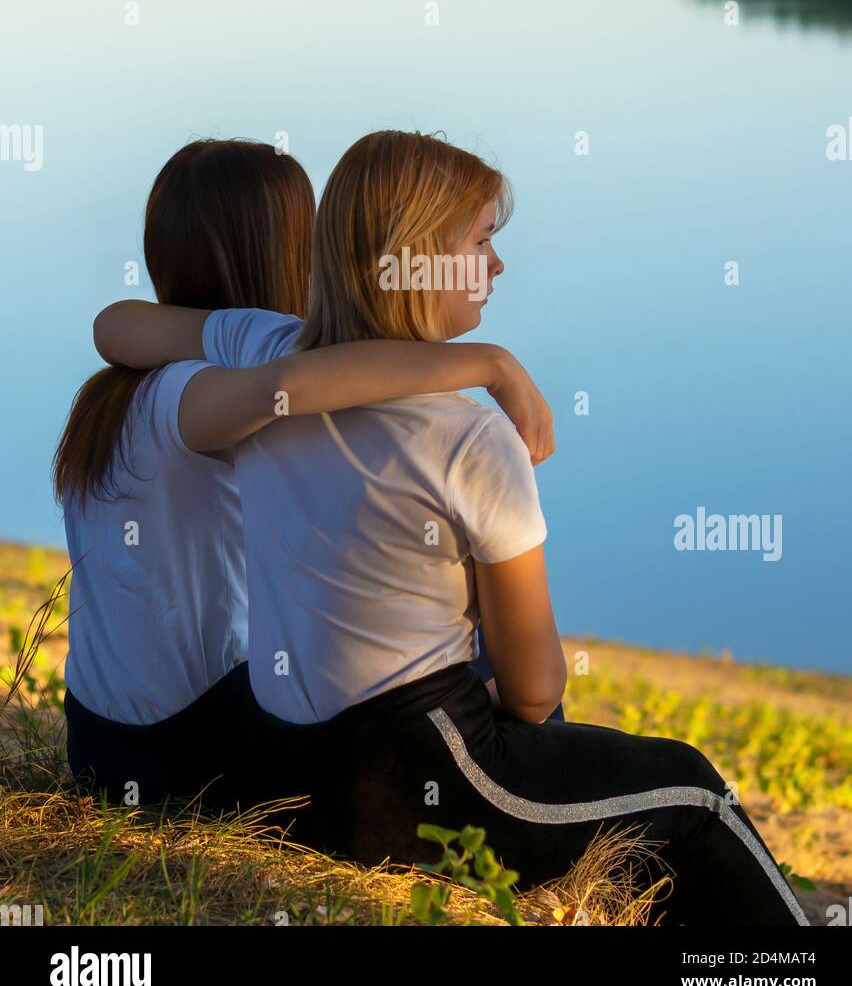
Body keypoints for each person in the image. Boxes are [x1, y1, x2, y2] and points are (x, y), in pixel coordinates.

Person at [97, 130, 809, 927]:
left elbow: (118, 330)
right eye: (480, 240)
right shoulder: (471, 439)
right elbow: (538, 691)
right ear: (419, 258)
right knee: (695, 791)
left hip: (300, 771)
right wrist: (490, 363)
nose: (498, 264)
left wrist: (484, 360)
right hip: (414, 785)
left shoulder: (261, 356)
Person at [57, 137, 553, 813]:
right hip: (182, 754)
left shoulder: (124, 393)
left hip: (99, 739)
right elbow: (290, 381)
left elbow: (113, 324)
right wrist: (491, 363)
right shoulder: (194, 393)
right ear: (282, 249)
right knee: (494, 662)